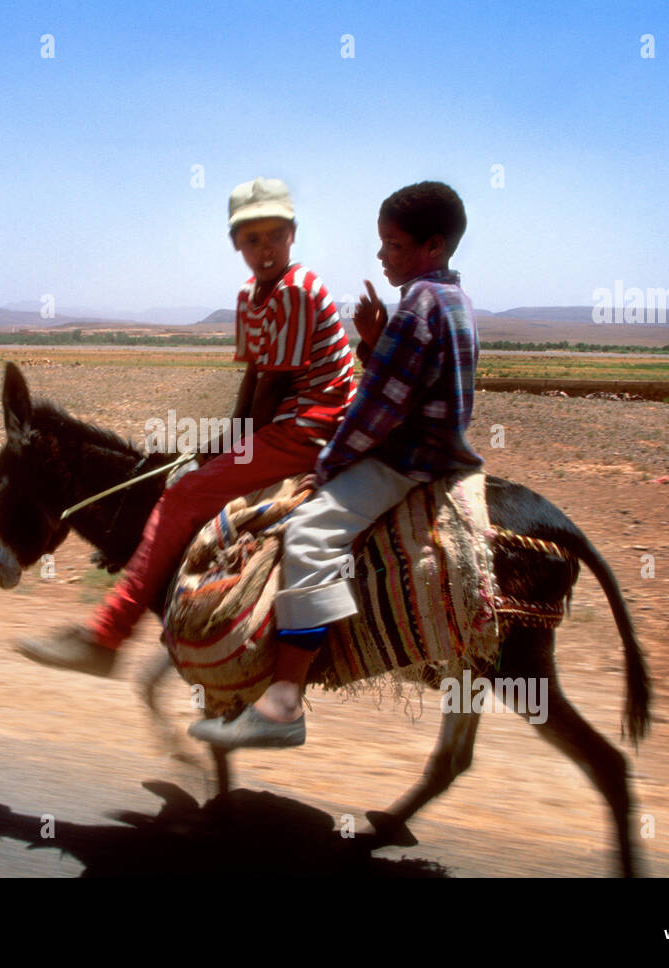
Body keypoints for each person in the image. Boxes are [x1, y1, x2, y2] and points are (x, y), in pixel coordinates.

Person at [15, 177, 355, 679]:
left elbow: (271, 395)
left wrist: (220, 453)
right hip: (281, 423)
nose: (264, 249)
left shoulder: (296, 291)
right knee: (195, 477)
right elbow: (253, 379)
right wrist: (220, 444)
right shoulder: (250, 296)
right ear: (236, 244)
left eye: (275, 236)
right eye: (252, 239)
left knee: (180, 498)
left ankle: (107, 635)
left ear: (293, 233)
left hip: (312, 425)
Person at [188, 180, 485, 749]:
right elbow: (407, 381)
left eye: (393, 246)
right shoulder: (453, 299)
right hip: (439, 451)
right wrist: (374, 343)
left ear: (434, 245)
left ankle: (282, 703)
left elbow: (377, 411)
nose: (381, 256)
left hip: (408, 460)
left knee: (309, 532)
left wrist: (327, 463)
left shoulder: (420, 305)